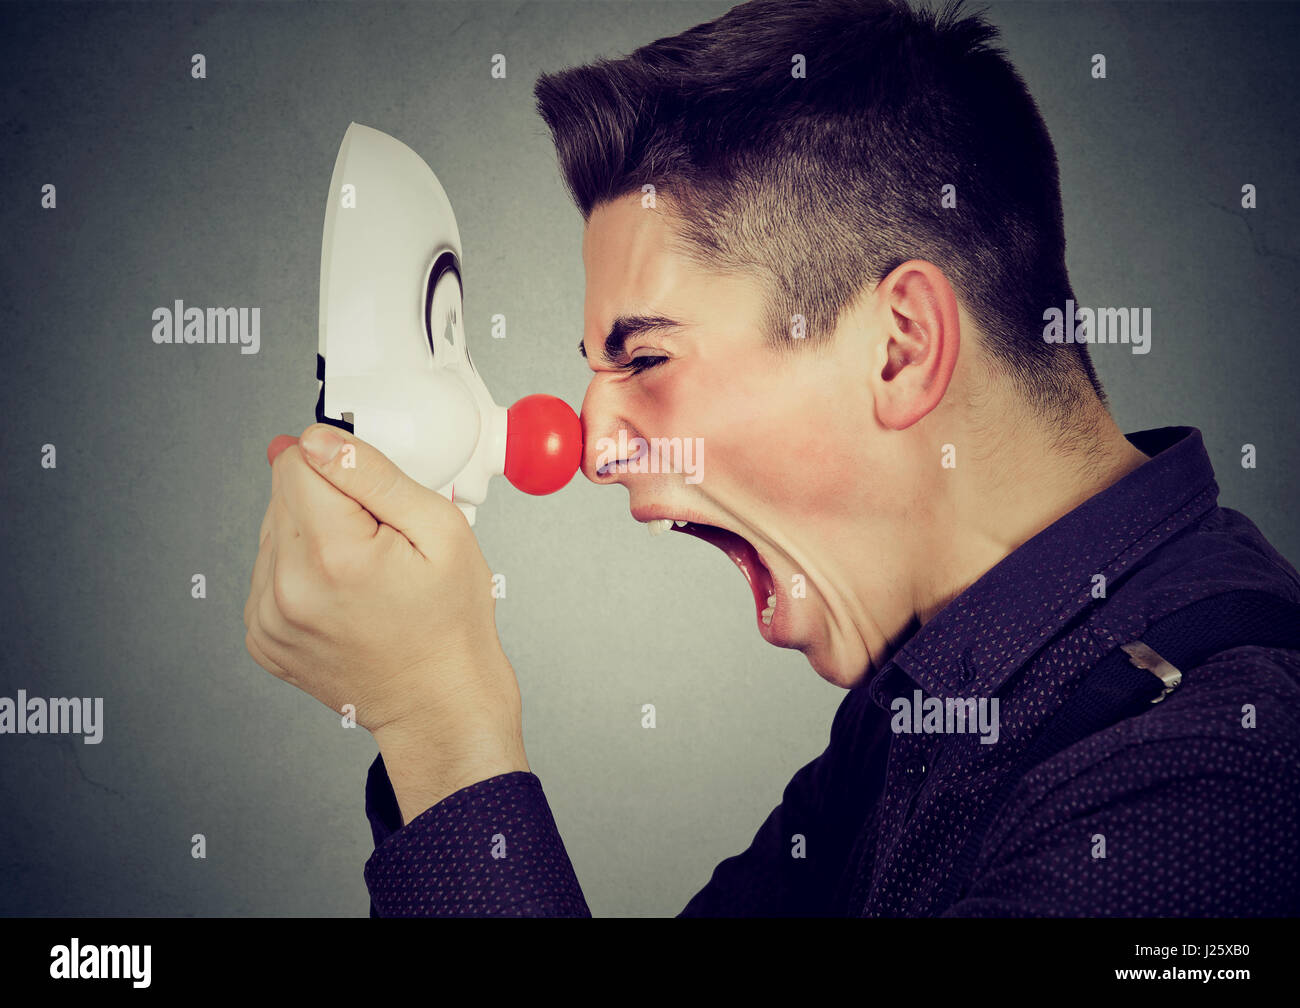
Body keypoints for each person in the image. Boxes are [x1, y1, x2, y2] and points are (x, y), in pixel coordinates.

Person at [245, 0, 1300, 916]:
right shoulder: (930, 698)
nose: (591, 447)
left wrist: (439, 720)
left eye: (644, 356)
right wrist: (421, 727)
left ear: (900, 347)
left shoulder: (1221, 777)